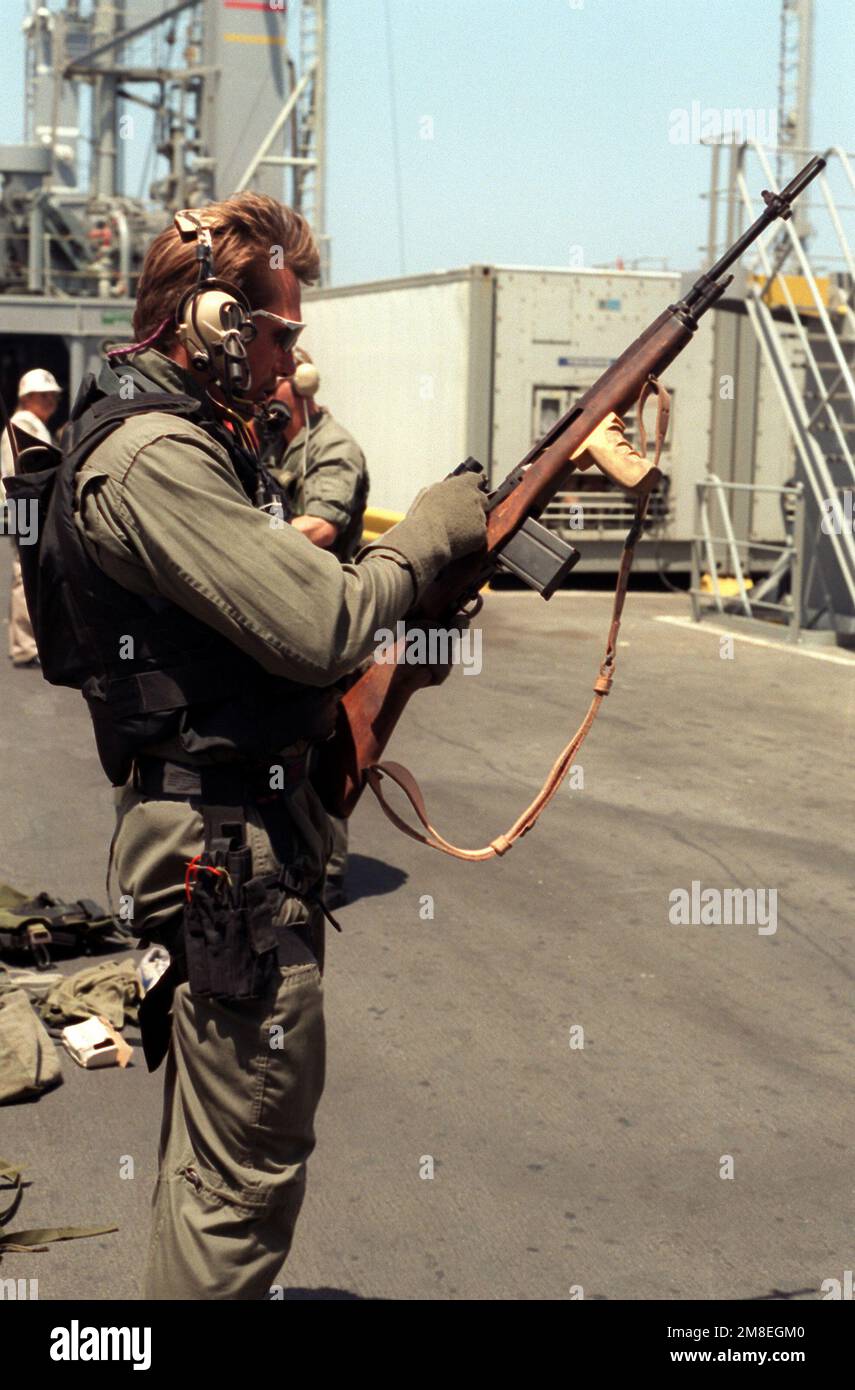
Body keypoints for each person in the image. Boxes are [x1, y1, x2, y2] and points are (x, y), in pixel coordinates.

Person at [39, 192, 489, 1300]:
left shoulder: (191, 442)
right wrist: (428, 536)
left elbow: (281, 647)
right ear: (213, 324)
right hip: (224, 855)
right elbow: (322, 620)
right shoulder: (153, 457)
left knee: (216, 1160)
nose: (291, 357)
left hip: (236, 839)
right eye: (281, 330)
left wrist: (405, 645)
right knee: (243, 1175)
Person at [261, 349, 369, 907]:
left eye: (276, 383)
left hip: (329, 622)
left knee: (326, 750)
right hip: (286, 616)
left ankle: (328, 872)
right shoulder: (271, 444)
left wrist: (246, 541)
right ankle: (294, 858)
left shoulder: (333, 448)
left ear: (303, 385)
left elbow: (323, 526)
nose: (265, 396)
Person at [0, 369, 62, 667]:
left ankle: (28, 643)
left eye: (52, 396)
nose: (50, 401)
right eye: (42, 395)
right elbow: (23, 472)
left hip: (27, 505)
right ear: (26, 398)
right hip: (27, 505)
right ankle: (26, 646)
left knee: (29, 571)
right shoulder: (23, 424)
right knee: (27, 572)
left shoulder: (31, 424)